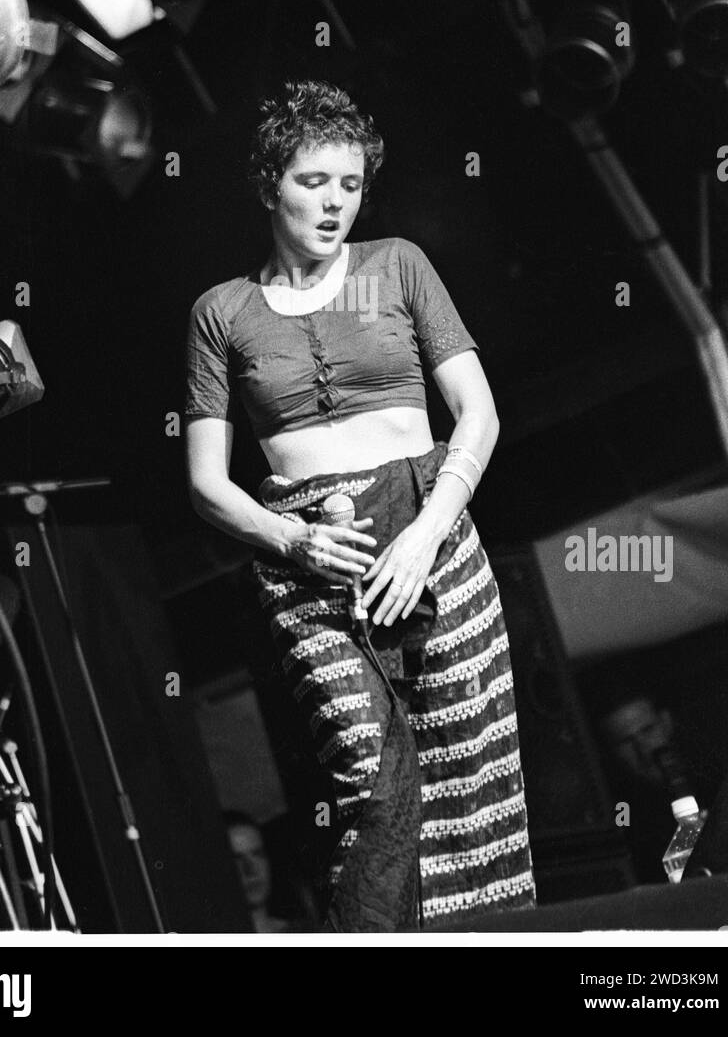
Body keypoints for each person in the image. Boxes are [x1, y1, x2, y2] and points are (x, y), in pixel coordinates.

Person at [185, 80, 536, 931]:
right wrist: (291, 541)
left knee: (469, 764)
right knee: (372, 777)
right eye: (314, 181)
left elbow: (478, 415)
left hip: (429, 525)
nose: (335, 201)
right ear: (271, 183)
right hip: (309, 558)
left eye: (349, 184)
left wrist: (425, 533)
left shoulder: (397, 264)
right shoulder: (221, 311)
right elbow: (204, 482)